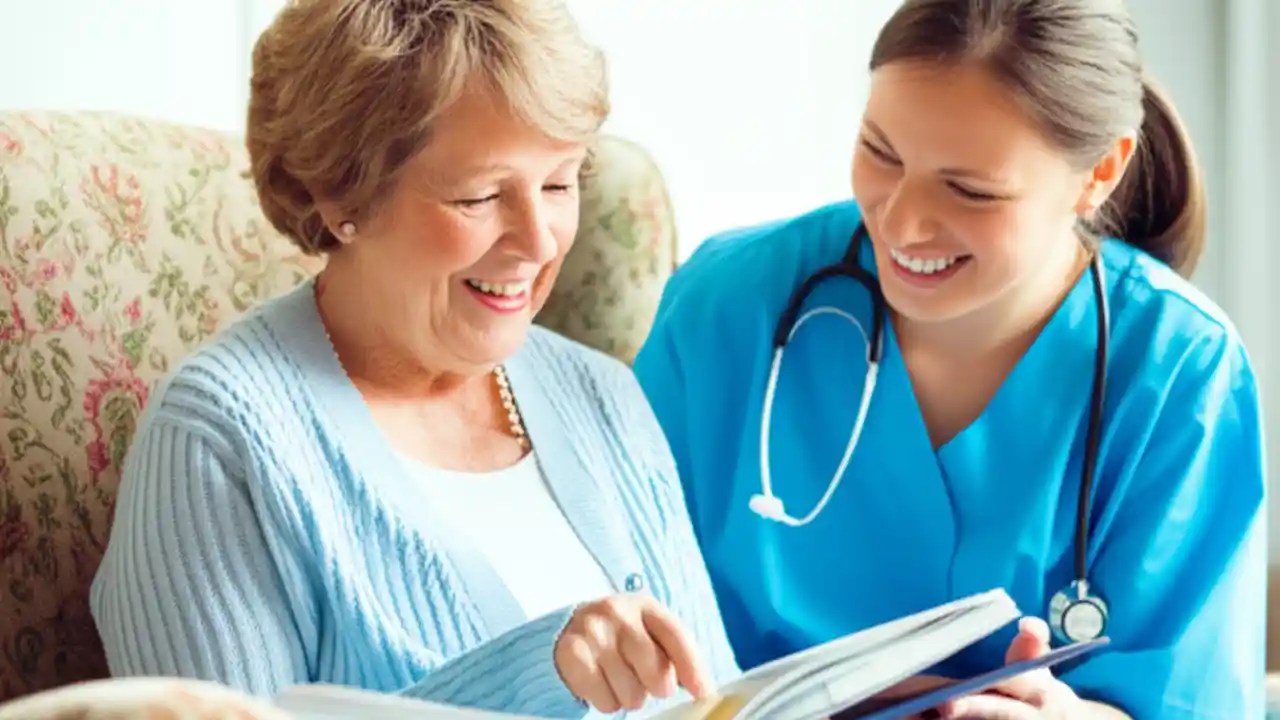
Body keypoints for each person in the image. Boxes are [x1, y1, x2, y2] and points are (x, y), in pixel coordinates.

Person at [89, 1, 739, 717]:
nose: (541, 240)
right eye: (480, 195)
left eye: (559, 183)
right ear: (341, 193)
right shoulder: (220, 441)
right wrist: (539, 674)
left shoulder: (601, 396)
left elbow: (724, 701)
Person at [633, 1, 1267, 718]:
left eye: (969, 189)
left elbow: (1192, 701)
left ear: (1100, 173)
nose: (901, 223)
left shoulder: (1178, 371)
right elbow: (609, 611)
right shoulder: (725, 309)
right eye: (881, 152)